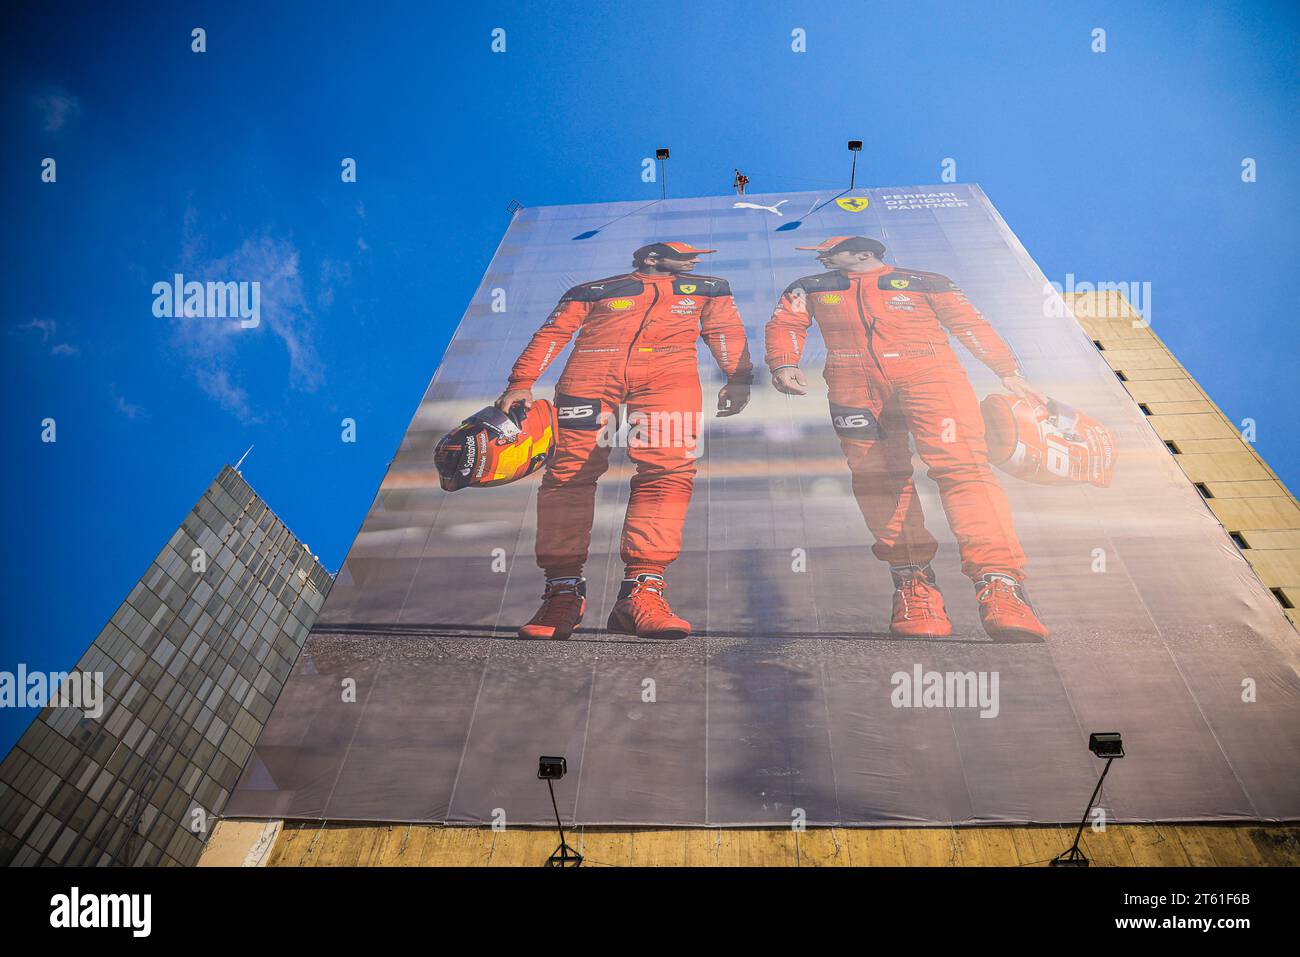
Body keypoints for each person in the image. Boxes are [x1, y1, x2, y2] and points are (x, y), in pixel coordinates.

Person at [764, 235, 1050, 641]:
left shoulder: (927, 280)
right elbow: (786, 323)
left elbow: (969, 324)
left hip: (933, 377)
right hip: (852, 384)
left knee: (964, 470)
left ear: (865, 253)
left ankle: (1000, 584)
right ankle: (913, 582)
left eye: (833, 252)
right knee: (878, 478)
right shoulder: (810, 286)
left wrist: (1007, 370)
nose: (824, 258)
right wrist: (784, 363)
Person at [498, 242, 752, 640]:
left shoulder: (710, 287)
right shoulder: (593, 290)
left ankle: (643, 590)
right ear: (650, 258)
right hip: (590, 376)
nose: (695, 260)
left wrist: (738, 378)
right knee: (568, 475)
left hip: (670, 379)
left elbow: (724, 331)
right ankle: (562, 592)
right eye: (685, 256)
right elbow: (552, 333)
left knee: (669, 471)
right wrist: (521, 382)